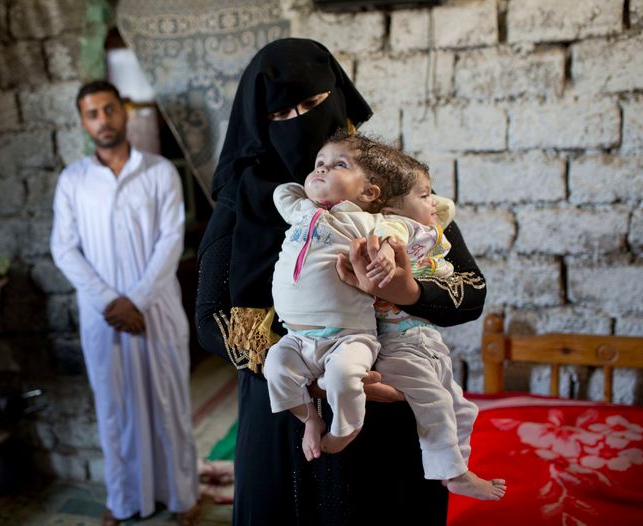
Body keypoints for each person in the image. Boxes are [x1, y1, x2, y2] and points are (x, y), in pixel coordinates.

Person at [195, 38, 487, 525]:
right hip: (284, 413)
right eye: (280, 114)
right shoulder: (243, 200)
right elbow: (210, 317)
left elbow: (471, 290)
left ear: (339, 98)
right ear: (259, 124)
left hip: (389, 397)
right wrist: (309, 379)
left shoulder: (390, 181)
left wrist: (405, 291)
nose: (300, 122)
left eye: (312, 103)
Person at [50, 80, 200, 526]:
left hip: (155, 311)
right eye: (92, 113)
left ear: (123, 111)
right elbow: (64, 249)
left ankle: (183, 496)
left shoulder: (158, 172)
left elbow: (170, 241)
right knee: (114, 409)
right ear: (83, 122)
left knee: (168, 402)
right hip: (105, 318)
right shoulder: (73, 180)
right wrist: (111, 302)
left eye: (109, 109)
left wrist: (135, 299)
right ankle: (123, 500)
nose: (103, 120)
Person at [352, 145, 506, 501]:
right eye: (425, 196)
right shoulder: (395, 225)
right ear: (391, 207)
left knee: (463, 408)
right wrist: (386, 257)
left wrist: (428, 204)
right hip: (398, 344)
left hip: (426, 340)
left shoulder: (427, 227)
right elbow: (388, 237)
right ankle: (452, 472)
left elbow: (471, 290)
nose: (433, 201)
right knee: (436, 405)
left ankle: (457, 468)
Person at [264, 131, 414, 461]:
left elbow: (401, 232)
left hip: (348, 337)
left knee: (343, 378)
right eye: (319, 163)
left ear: (368, 192)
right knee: (274, 367)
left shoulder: (366, 221)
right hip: (296, 337)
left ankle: (347, 427)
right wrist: (315, 190)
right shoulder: (301, 211)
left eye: (339, 165)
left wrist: (387, 251)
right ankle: (310, 418)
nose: (322, 169)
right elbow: (282, 191)